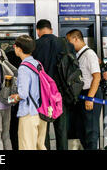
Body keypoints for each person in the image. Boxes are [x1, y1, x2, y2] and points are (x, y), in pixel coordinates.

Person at [31, 19, 75, 150]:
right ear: (51, 29)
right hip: (61, 93)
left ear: (37, 31)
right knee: (61, 130)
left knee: (43, 130)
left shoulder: (34, 45)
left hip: (42, 93)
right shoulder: (67, 45)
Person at [66, 29, 102, 150]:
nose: (68, 43)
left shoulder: (89, 54)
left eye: (69, 40)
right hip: (82, 95)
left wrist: (90, 98)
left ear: (76, 39)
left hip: (90, 93)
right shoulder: (78, 54)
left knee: (90, 130)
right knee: (81, 129)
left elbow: (97, 76)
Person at [9, 35, 46, 150]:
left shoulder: (23, 68)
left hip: (28, 114)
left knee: (27, 147)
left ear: (19, 49)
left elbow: (23, 94)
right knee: (39, 146)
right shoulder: (37, 63)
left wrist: (12, 98)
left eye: (15, 46)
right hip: (42, 112)